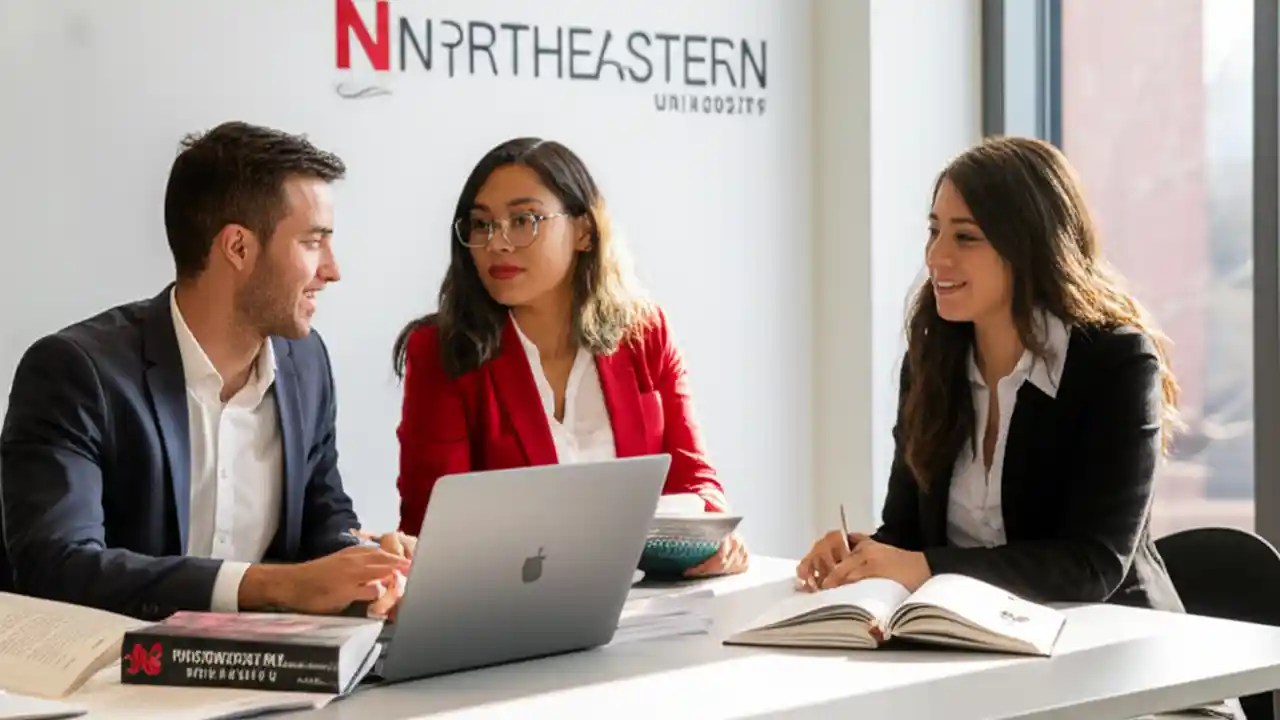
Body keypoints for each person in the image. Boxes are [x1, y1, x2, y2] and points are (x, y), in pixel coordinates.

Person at [0, 121, 412, 621]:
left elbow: (323, 518)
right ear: (237, 247)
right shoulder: (77, 373)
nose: (332, 269)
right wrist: (270, 584)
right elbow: (58, 567)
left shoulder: (306, 363)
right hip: (113, 679)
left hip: (270, 675)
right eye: (312, 242)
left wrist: (370, 565)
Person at [797, 136, 1184, 612]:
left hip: (1110, 641)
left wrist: (925, 567)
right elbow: (909, 534)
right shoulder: (931, 360)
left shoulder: (1115, 363)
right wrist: (862, 555)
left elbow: (1092, 565)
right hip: (978, 640)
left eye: (965, 237)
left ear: (1029, 246)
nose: (937, 256)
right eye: (934, 230)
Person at [393, 137, 747, 577]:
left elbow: (697, 484)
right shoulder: (442, 351)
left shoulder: (644, 332)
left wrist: (714, 540)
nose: (497, 243)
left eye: (523, 220)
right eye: (482, 224)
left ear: (583, 231)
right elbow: (429, 529)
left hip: (647, 607)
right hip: (509, 610)